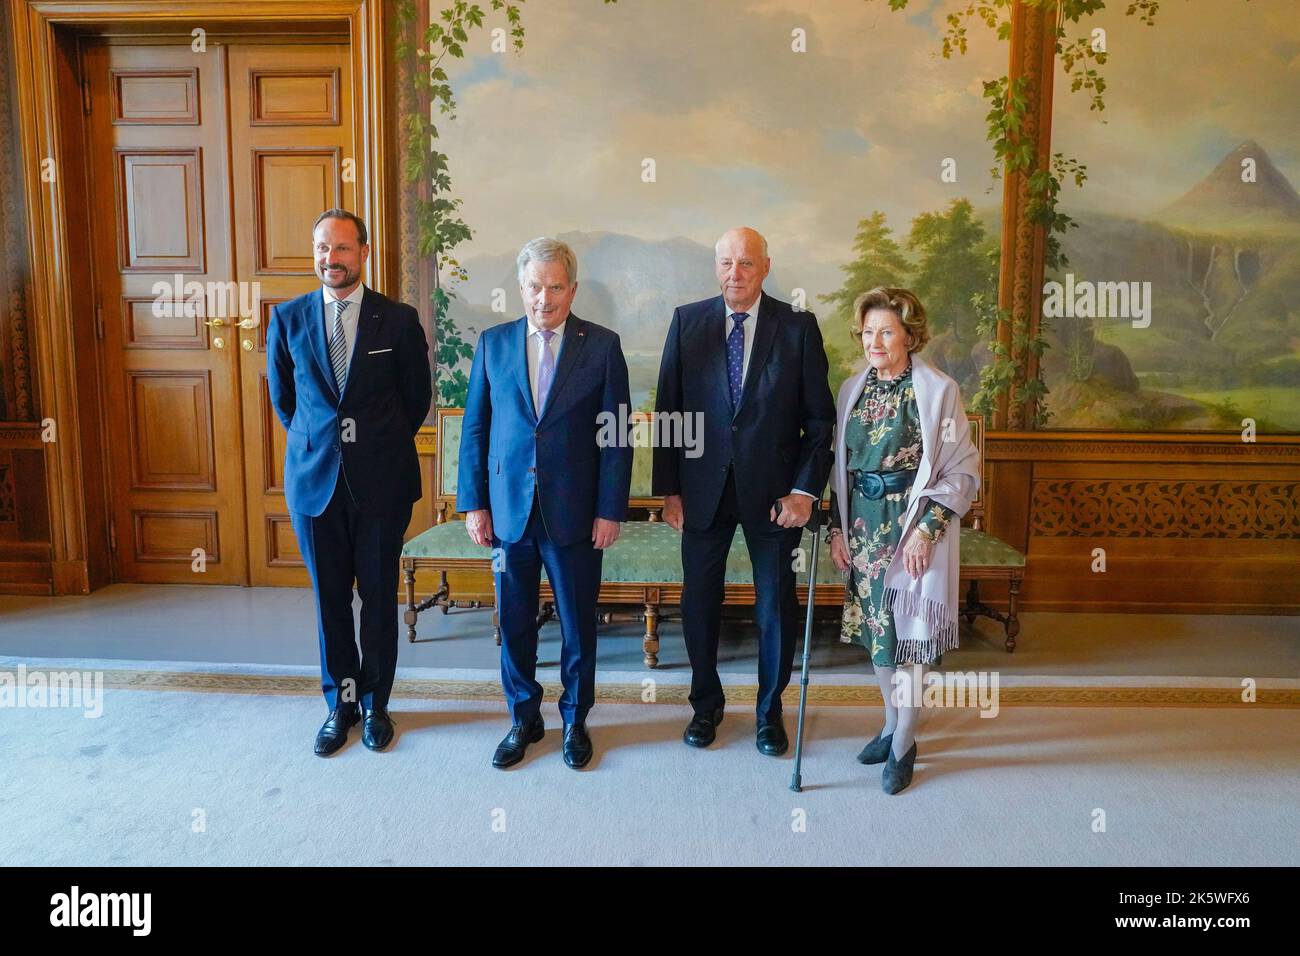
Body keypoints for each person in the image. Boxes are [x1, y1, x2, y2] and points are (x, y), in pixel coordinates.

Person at [653, 227, 836, 757]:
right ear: (716, 267)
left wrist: (804, 491)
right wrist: (670, 491)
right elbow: (668, 412)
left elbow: (819, 422)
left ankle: (768, 712)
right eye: (727, 263)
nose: (736, 273)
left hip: (775, 497)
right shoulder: (688, 322)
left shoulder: (797, 327)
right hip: (701, 491)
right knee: (699, 604)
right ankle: (704, 706)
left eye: (747, 264)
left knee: (774, 606)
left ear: (766, 267)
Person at [458, 237, 633, 770]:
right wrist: (474, 504)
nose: (544, 298)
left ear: (572, 289)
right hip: (509, 511)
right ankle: (523, 719)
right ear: (521, 287)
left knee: (579, 624)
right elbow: (476, 428)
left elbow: (618, 435)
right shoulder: (493, 343)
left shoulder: (601, 346)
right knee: (513, 622)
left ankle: (575, 720)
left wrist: (610, 509)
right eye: (535, 286)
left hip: (576, 513)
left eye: (555, 287)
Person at [267, 208, 432, 756]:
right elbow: (285, 403)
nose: (330, 259)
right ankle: (340, 704)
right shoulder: (287, 320)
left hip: (382, 485)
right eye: (321, 249)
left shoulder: (399, 320)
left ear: (363, 253)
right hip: (314, 486)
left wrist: (371, 445)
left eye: (341, 249)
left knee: (379, 597)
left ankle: (376, 705)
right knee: (330, 601)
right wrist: (324, 444)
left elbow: (416, 401)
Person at [828, 287, 980, 793]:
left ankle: (904, 743)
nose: (875, 340)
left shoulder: (938, 390)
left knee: (911, 639)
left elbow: (961, 471)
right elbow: (840, 469)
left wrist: (926, 532)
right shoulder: (851, 389)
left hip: (912, 528)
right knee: (879, 635)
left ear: (910, 335)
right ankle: (892, 722)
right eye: (868, 331)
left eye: (886, 331)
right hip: (864, 527)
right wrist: (837, 527)